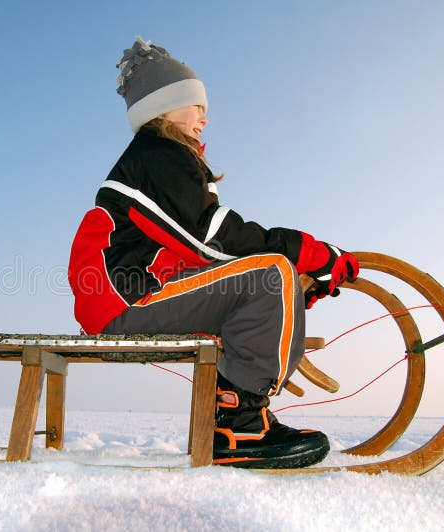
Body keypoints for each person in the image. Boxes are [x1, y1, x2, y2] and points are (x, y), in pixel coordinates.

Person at [67, 37, 359, 469]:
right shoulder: (160, 155)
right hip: (125, 299)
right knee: (272, 272)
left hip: (138, 293)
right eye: (195, 105)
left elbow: (200, 258)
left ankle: (237, 415)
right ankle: (237, 426)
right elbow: (212, 238)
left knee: (269, 279)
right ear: (163, 107)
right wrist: (307, 253)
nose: (205, 117)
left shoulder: (160, 159)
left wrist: (284, 301)